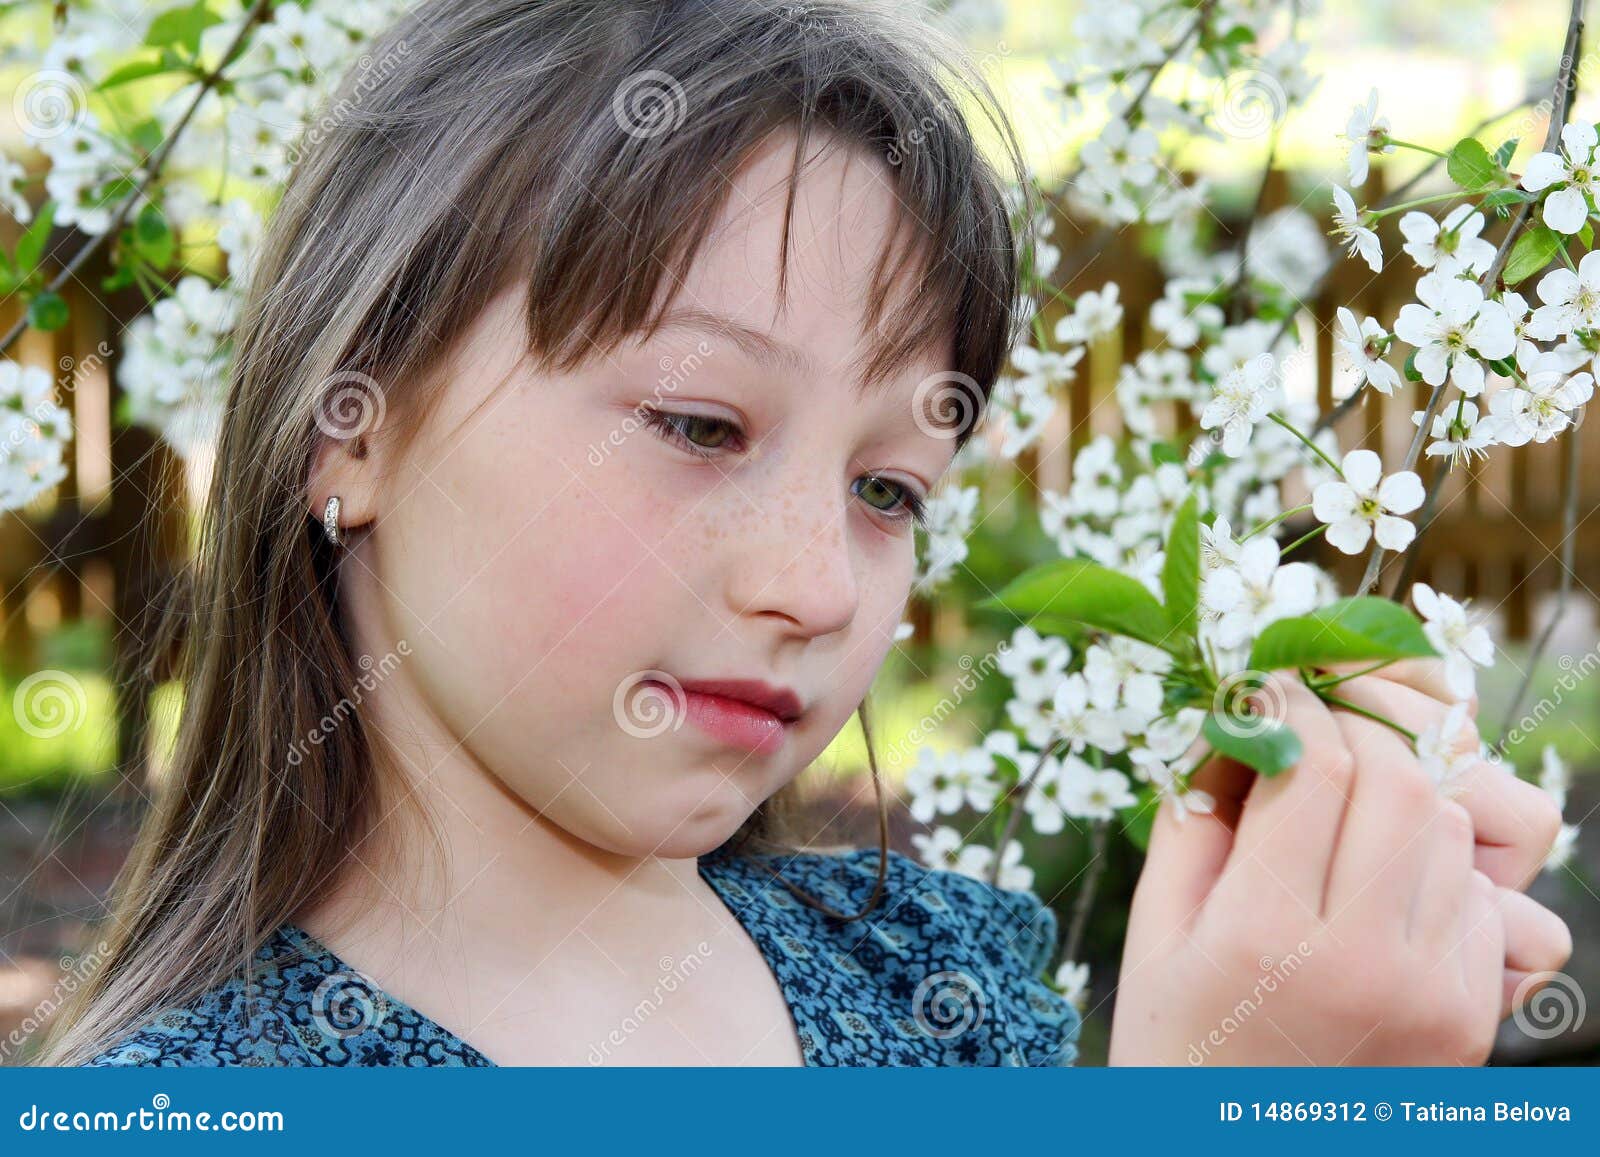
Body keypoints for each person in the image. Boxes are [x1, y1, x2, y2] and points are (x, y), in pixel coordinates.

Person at [40, 0, 1567, 1068]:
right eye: (702, 424)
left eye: (890, 488)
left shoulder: (930, 976)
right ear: (350, 425)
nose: (819, 586)